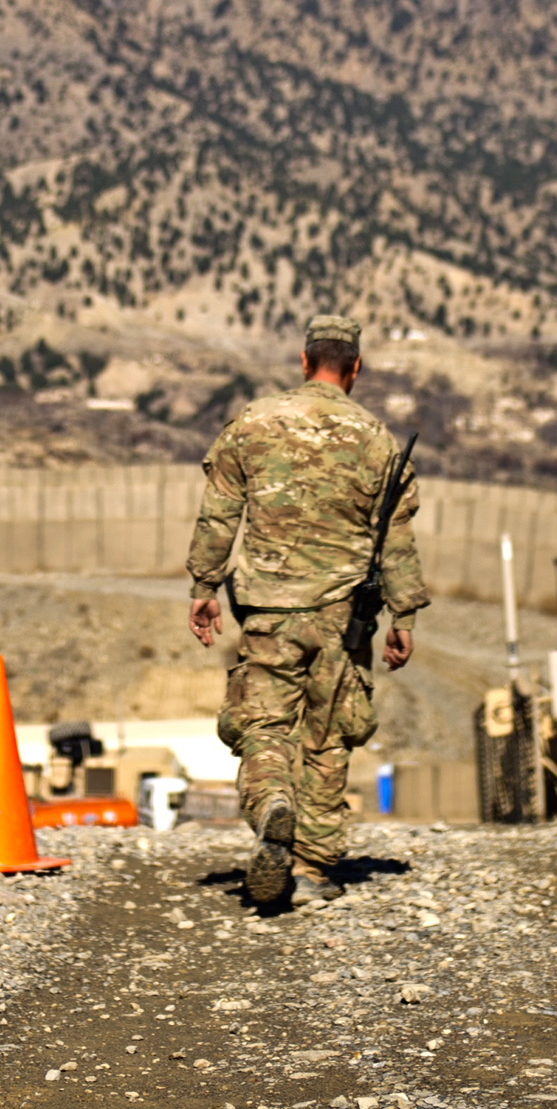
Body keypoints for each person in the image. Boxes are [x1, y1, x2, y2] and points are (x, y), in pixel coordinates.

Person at [187, 313, 427, 907]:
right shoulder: (376, 439)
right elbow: (396, 539)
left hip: (269, 610)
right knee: (328, 734)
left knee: (263, 725)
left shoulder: (253, 424)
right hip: (343, 617)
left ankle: (273, 803)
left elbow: (219, 514)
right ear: (356, 367)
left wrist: (204, 586)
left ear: (303, 361)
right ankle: (315, 868)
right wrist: (405, 618)